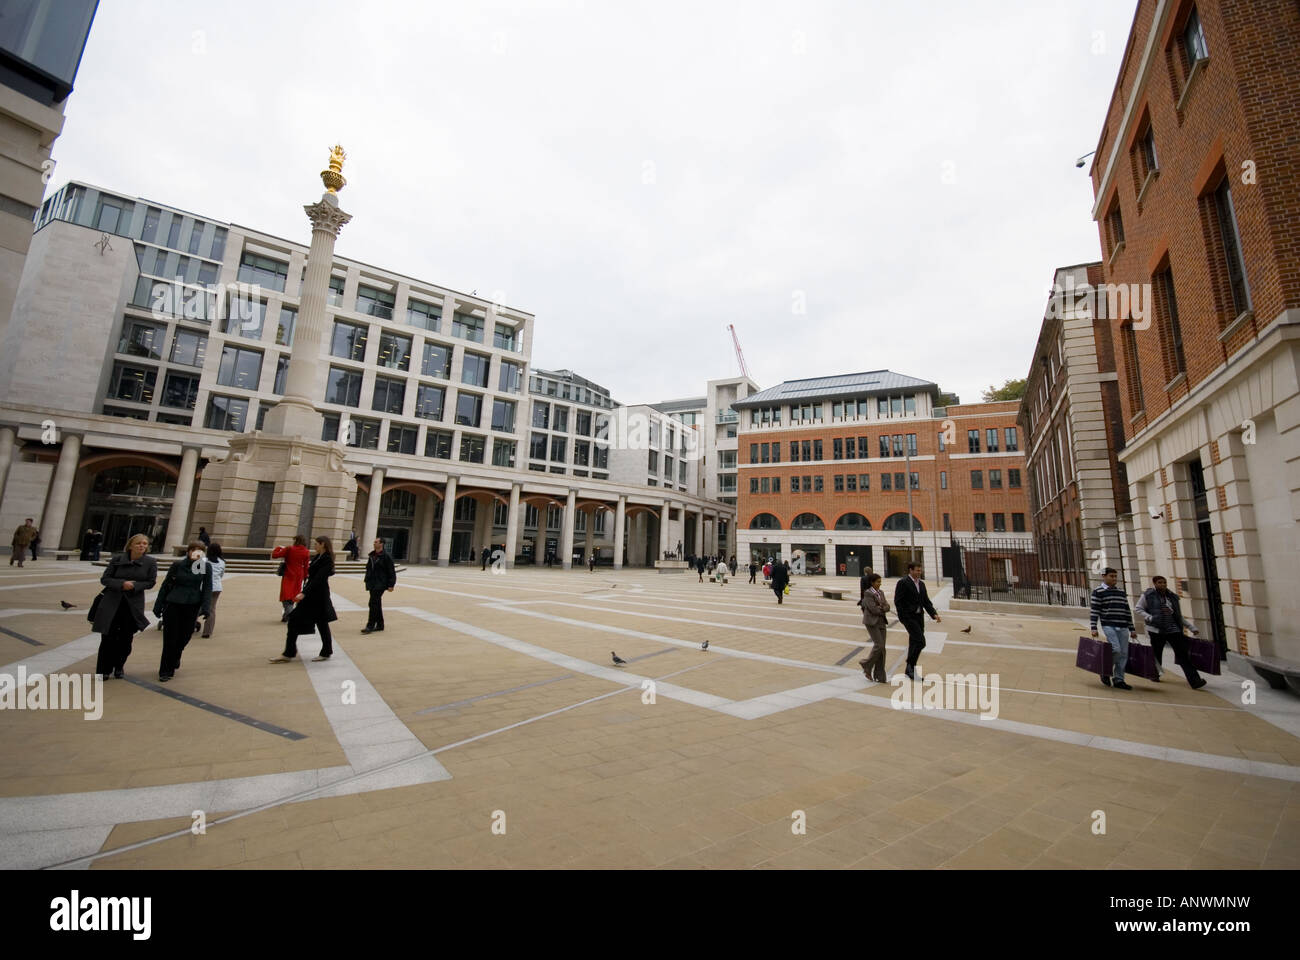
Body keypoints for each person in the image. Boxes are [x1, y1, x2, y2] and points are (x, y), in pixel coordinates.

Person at [92, 533, 157, 679]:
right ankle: (103, 669)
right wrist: (122, 584)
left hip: (132, 605)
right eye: (139, 543)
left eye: (145, 544)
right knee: (107, 637)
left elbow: (151, 582)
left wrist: (135, 586)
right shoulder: (117, 560)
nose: (142, 546)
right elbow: (105, 579)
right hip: (113, 602)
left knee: (126, 639)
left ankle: (119, 665)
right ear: (131, 545)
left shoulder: (150, 562)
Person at [152, 541, 213, 682]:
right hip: (173, 603)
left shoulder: (204, 566)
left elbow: (207, 588)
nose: (196, 553)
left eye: (200, 550)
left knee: (185, 635)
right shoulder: (177, 565)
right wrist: (158, 605)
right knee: (169, 638)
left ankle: (177, 654)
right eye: (193, 550)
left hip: (192, 604)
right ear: (188, 551)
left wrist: (206, 607)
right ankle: (165, 670)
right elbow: (166, 585)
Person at [271, 536, 337, 662]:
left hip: (318, 597)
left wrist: (303, 593)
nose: (314, 546)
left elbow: (319, 579)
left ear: (323, 544)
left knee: (320, 623)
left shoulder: (327, 559)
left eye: (316, 544)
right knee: (297, 620)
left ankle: (323, 651)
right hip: (312, 595)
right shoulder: (318, 557)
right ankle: (289, 652)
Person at [1136, 575, 1205, 689]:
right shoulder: (1148, 595)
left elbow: (1178, 616)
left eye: (1164, 582)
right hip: (1157, 630)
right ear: (1154, 583)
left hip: (1173, 630)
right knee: (1157, 654)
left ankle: (1195, 681)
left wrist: (1191, 627)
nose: (1162, 585)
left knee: (1183, 654)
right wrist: (1150, 618)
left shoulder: (1172, 596)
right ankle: (1155, 674)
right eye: (1160, 582)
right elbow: (1138, 608)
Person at [1090, 567, 1137, 690]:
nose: (1114, 579)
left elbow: (1127, 610)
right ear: (1104, 576)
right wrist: (1093, 627)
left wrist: (1132, 629)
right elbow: (1095, 610)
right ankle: (1105, 670)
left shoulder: (1121, 591)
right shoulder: (1098, 591)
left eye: (1115, 576)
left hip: (1123, 625)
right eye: (1111, 576)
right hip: (1108, 624)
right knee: (1116, 649)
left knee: (1124, 654)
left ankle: (1119, 679)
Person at [894, 562, 940, 680]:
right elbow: (898, 601)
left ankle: (910, 670)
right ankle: (910, 663)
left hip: (919, 617)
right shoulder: (903, 582)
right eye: (917, 570)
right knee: (921, 642)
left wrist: (934, 614)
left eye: (920, 570)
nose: (919, 572)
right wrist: (903, 616)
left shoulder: (922, 584)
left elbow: (925, 601)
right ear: (910, 570)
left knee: (914, 642)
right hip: (909, 617)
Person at [859, 572, 890, 682]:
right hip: (871, 622)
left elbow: (887, 606)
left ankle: (880, 675)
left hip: (881, 621)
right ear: (872, 583)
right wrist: (882, 608)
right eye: (878, 582)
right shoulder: (868, 593)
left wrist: (882, 607)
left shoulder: (880, 592)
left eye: (880, 582)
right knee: (879, 645)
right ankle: (866, 664)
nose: (880, 584)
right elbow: (873, 609)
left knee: (882, 649)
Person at [272, 535, 311, 621]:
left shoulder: (289, 549)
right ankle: (287, 614)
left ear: (296, 541)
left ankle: (289, 613)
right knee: (294, 594)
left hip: (289, 574)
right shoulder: (306, 551)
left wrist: (278, 548)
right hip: (299, 575)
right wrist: (305, 577)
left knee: (286, 594)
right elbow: (306, 566)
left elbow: (274, 555)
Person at [363, 538, 396, 633]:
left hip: (380, 583)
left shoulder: (386, 556)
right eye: (374, 542)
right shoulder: (372, 555)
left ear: (381, 544)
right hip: (372, 582)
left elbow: (391, 571)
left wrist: (391, 584)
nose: (374, 543)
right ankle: (380, 624)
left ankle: (370, 625)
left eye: (376, 542)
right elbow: (369, 568)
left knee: (373, 603)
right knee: (376, 603)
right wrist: (367, 579)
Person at [200, 542, 226, 638]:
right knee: (212, 609)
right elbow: (221, 574)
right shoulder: (222, 562)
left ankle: (190, 625)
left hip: (204, 587)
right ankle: (207, 632)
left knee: (196, 606)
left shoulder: (203, 560)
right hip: (217, 587)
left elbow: (197, 572)